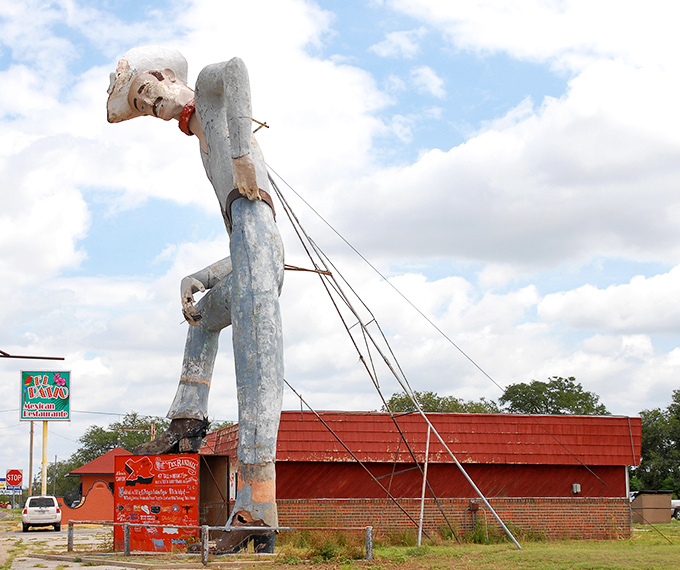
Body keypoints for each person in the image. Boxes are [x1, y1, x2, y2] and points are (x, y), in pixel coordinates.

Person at [107, 46, 284, 553]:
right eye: (141, 105)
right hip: (248, 249)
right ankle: (186, 424)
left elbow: (234, 70)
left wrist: (244, 157)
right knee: (202, 318)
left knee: (255, 372)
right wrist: (202, 275)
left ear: (166, 76)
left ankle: (256, 508)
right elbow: (252, 247)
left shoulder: (208, 99)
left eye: (148, 92)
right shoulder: (201, 141)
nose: (150, 106)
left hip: (255, 238)